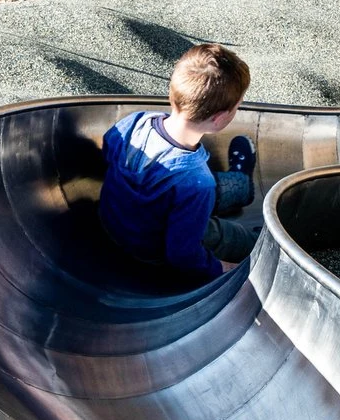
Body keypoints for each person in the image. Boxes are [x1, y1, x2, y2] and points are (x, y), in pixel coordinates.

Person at [98, 42, 259, 280]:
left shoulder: (135, 122)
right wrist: (224, 269)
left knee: (191, 189)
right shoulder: (197, 183)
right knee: (228, 233)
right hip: (150, 250)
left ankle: (242, 184)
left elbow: (108, 150)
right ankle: (262, 243)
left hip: (115, 223)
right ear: (220, 119)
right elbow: (182, 254)